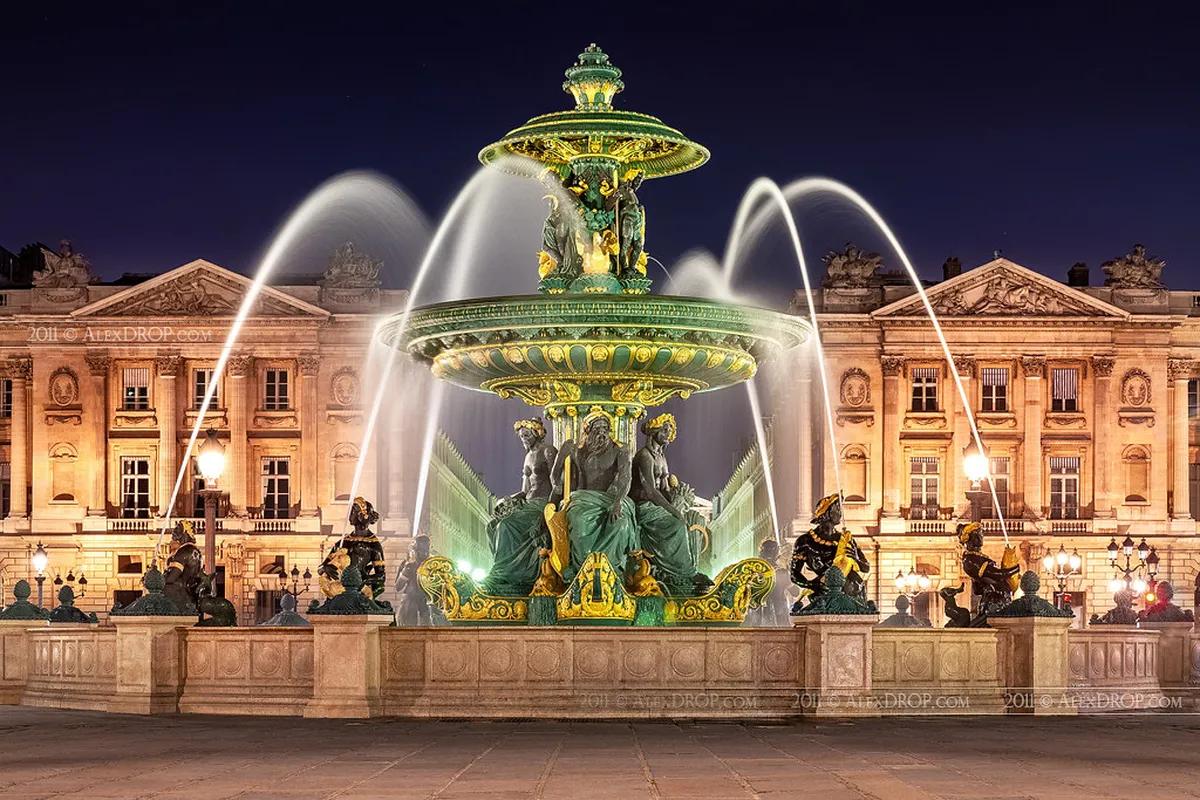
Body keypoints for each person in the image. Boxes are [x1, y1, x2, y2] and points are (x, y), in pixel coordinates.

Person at [551, 409, 639, 582]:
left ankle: (612, 571)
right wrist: (558, 484)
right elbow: (555, 473)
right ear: (587, 430)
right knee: (578, 520)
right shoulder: (576, 449)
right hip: (583, 498)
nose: (601, 432)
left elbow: (625, 478)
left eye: (605, 428)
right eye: (597, 428)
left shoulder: (620, 450)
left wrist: (618, 502)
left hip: (612, 498)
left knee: (620, 524)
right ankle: (582, 570)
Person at [482, 418, 557, 595]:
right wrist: (506, 500)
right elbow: (524, 490)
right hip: (529, 502)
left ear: (536, 434)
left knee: (507, 525)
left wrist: (550, 509)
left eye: (526, 435)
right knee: (492, 526)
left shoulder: (548, 451)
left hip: (543, 503)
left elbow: (557, 483)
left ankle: (505, 574)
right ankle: (502, 567)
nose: (523, 439)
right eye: (521, 436)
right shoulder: (527, 456)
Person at [630, 413, 698, 595]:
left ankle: (684, 569)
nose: (668, 433)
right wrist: (674, 511)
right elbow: (651, 491)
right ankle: (681, 572)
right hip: (643, 507)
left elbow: (665, 489)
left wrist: (677, 503)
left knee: (687, 519)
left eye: (670, 430)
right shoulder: (644, 456)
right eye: (665, 429)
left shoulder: (661, 457)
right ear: (654, 430)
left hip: (656, 506)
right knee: (676, 524)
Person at [789, 493, 869, 613]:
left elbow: (866, 568)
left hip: (852, 591)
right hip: (824, 593)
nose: (841, 513)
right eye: (837, 508)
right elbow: (794, 574)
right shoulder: (805, 541)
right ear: (827, 513)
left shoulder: (845, 539)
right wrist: (813, 585)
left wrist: (856, 558)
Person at [957, 522, 1020, 624]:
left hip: (996, 596)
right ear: (970, 537)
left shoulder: (975, 557)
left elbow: (977, 590)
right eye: (979, 534)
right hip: (995, 600)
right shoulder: (971, 559)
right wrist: (1014, 569)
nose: (982, 536)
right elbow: (995, 574)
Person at [164, 520, 204, 614]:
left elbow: (172, 578)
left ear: (184, 533)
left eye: (178, 529)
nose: (174, 532)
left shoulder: (183, 551)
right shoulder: (196, 551)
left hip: (181, 591)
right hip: (192, 591)